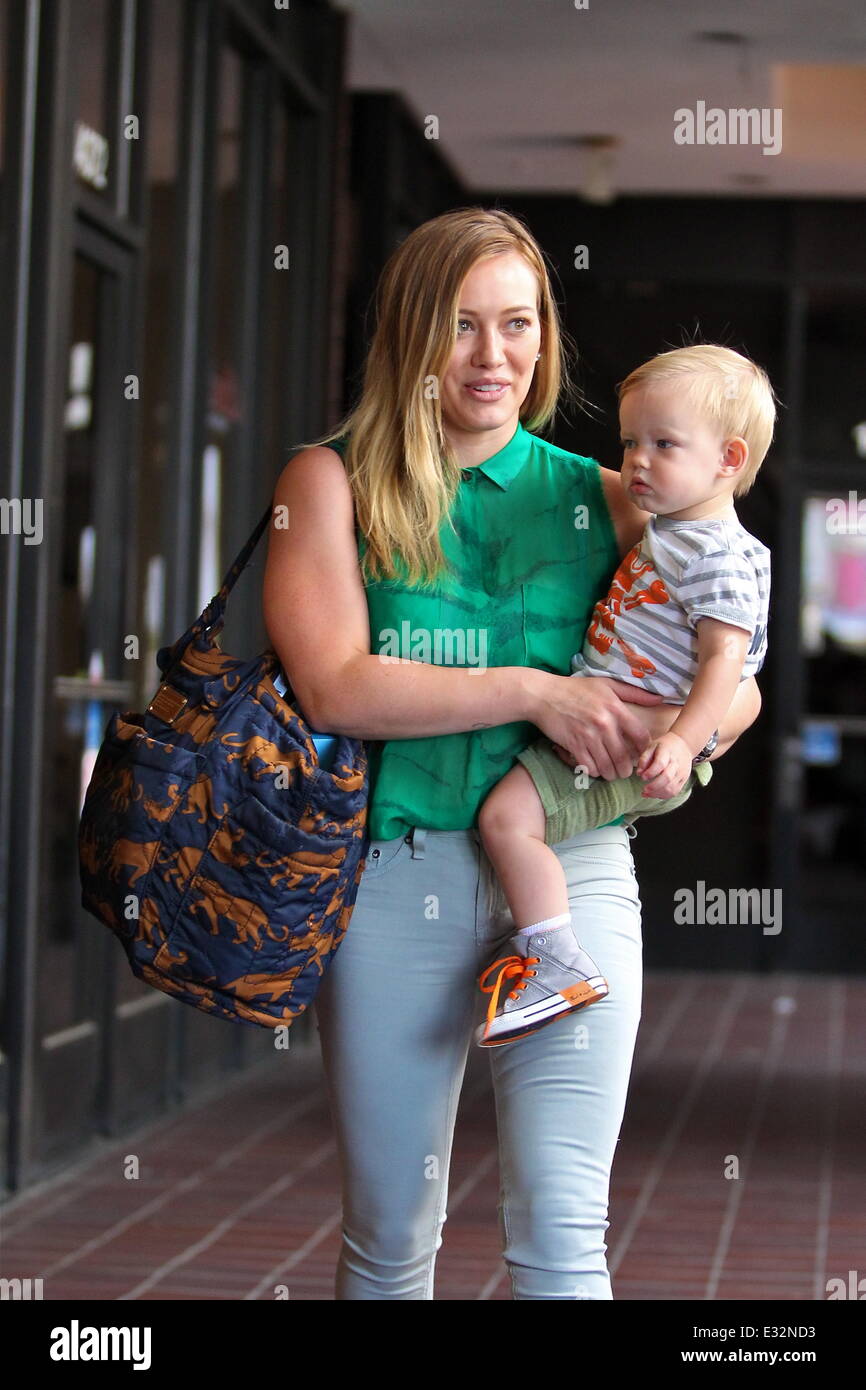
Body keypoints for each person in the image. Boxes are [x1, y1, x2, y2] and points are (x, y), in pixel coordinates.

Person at [262, 207, 761, 1300]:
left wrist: (679, 735)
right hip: (394, 879)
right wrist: (541, 691)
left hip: (574, 877)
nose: (494, 357)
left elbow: (739, 680)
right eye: (461, 326)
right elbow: (336, 683)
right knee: (390, 1241)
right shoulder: (329, 483)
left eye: (518, 324)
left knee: (562, 1235)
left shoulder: (607, 493)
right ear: (407, 334)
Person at [474, 344, 774, 1046]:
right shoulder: (674, 533)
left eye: (664, 444)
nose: (637, 459)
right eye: (631, 441)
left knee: (505, 821)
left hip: (633, 744)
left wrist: (679, 739)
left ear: (727, 461)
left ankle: (555, 960)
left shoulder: (719, 556)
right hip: (627, 729)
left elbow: (726, 663)